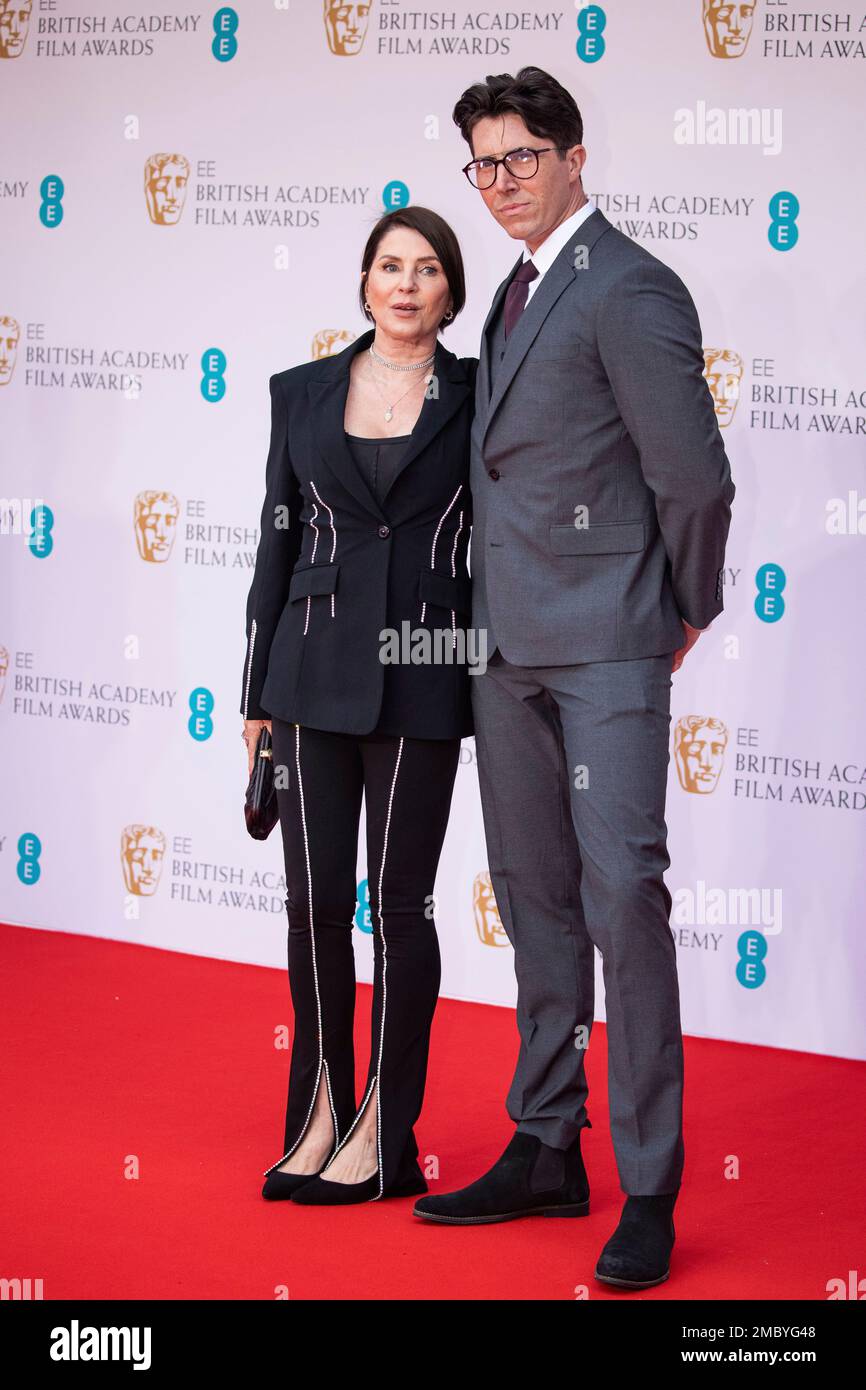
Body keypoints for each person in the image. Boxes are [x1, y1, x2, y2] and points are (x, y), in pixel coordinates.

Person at [413, 67, 735, 1290]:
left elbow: (693, 480)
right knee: (534, 900)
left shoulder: (629, 284)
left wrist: (678, 613)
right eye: (481, 165)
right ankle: (547, 1141)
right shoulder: (510, 291)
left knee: (621, 905)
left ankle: (647, 1183)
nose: (498, 183)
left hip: (606, 647)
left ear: (573, 155)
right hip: (505, 655)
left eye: (519, 159)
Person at [241, 206, 477, 1205]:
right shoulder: (299, 394)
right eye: (390, 265)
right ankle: (317, 1114)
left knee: (398, 909)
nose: (406, 283)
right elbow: (275, 543)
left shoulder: (481, 391)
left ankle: (388, 1129)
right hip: (303, 672)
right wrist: (253, 691)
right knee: (310, 905)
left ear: (450, 291)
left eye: (427, 269)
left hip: (424, 665)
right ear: (364, 280)